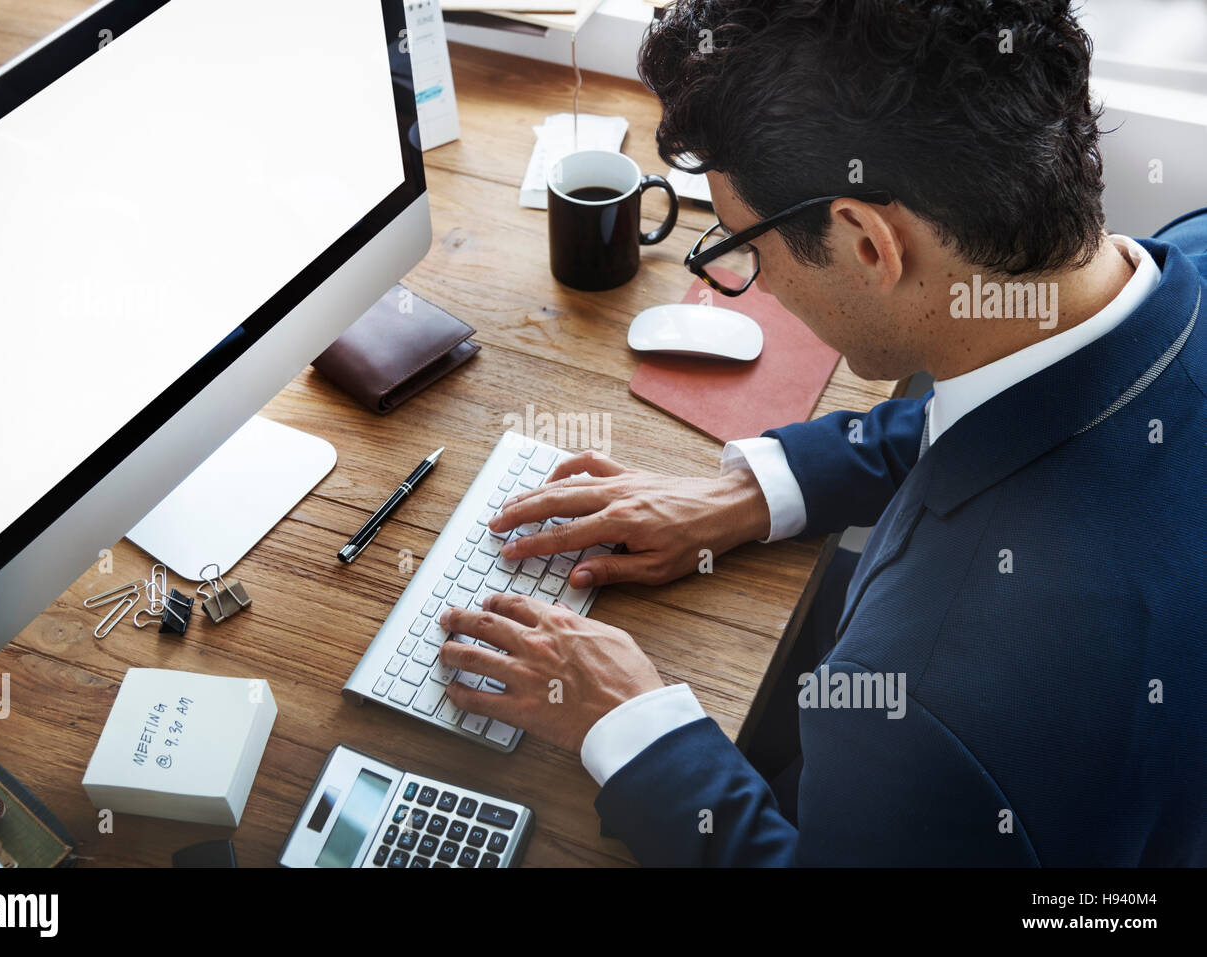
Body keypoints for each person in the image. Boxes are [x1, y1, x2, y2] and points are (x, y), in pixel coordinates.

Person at [436, 0, 1207, 865]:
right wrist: (753, 491)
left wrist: (634, 726)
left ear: (870, 245)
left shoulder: (925, 712)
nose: (752, 282)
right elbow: (1031, 399)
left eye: (741, 246)